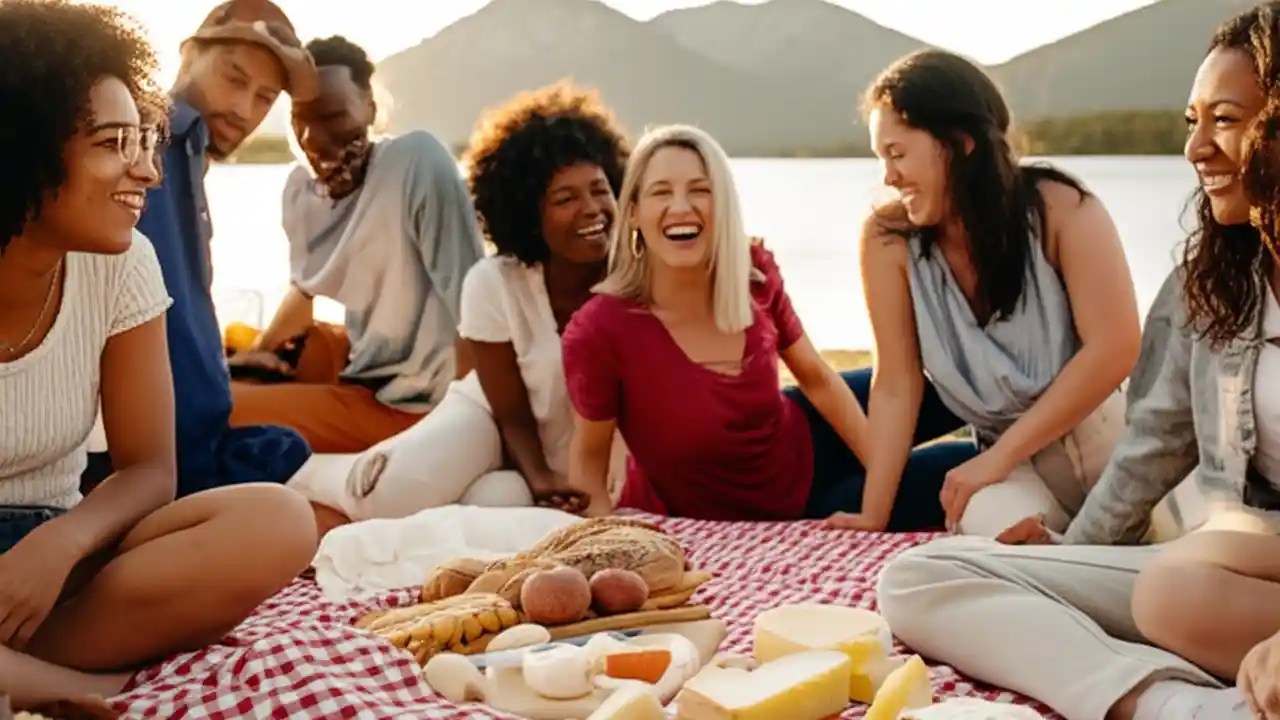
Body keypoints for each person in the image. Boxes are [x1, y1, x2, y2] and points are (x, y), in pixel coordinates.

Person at [876, 6, 1280, 719]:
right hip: (1227, 573)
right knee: (919, 577)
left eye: (1225, 119)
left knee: (1171, 593)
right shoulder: (1210, 284)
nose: (1196, 149)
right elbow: (1152, 446)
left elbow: (1109, 357)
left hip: (1209, 581)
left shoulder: (1055, 206)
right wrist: (1069, 560)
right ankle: (1173, 704)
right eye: (1191, 121)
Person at [0, 1, 316, 709]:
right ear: (21, 143)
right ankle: (73, 688)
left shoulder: (123, 260)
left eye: (144, 142)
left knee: (278, 521)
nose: (145, 171)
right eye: (113, 144)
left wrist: (62, 544)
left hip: (61, 554)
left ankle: (17, 672)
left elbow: (150, 470)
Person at [828, 49, 1140, 537]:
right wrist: (874, 514)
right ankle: (1073, 564)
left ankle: (1097, 563)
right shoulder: (888, 241)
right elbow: (895, 384)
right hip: (1010, 470)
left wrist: (998, 457)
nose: (888, 176)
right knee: (992, 533)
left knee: (1189, 543)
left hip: (1111, 444)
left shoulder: (1062, 209)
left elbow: (1116, 347)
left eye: (897, 154)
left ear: (960, 143)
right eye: (880, 158)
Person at [562, 123, 930, 527]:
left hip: (801, 438)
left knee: (950, 387)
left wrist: (884, 488)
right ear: (632, 213)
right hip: (791, 508)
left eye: (701, 190)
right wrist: (612, 550)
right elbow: (588, 467)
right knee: (959, 478)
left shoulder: (752, 271)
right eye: (661, 192)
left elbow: (818, 380)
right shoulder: (599, 329)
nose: (682, 207)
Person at [335, 82, 631, 520]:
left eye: (599, 190)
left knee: (499, 501)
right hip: (490, 422)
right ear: (529, 212)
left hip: (574, 461)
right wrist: (538, 476)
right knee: (392, 494)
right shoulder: (495, 283)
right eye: (565, 198)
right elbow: (509, 412)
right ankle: (317, 475)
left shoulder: (637, 277)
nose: (592, 209)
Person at [226, 36, 486, 454]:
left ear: (369, 104)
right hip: (359, 367)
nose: (313, 138)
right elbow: (305, 289)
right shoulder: (300, 191)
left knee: (216, 407)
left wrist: (469, 428)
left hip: (407, 403)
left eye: (332, 115)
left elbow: (475, 309)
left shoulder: (414, 162)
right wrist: (257, 354)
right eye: (299, 120)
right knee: (239, 356)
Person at [125, 0, 320, 498]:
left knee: (286, 449)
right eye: (234, 80)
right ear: (189, 54)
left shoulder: (190, 160)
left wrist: (226, 365)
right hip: (146, 466)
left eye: (264, 97)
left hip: (196, 448)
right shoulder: (149, 139)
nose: (245, 110)